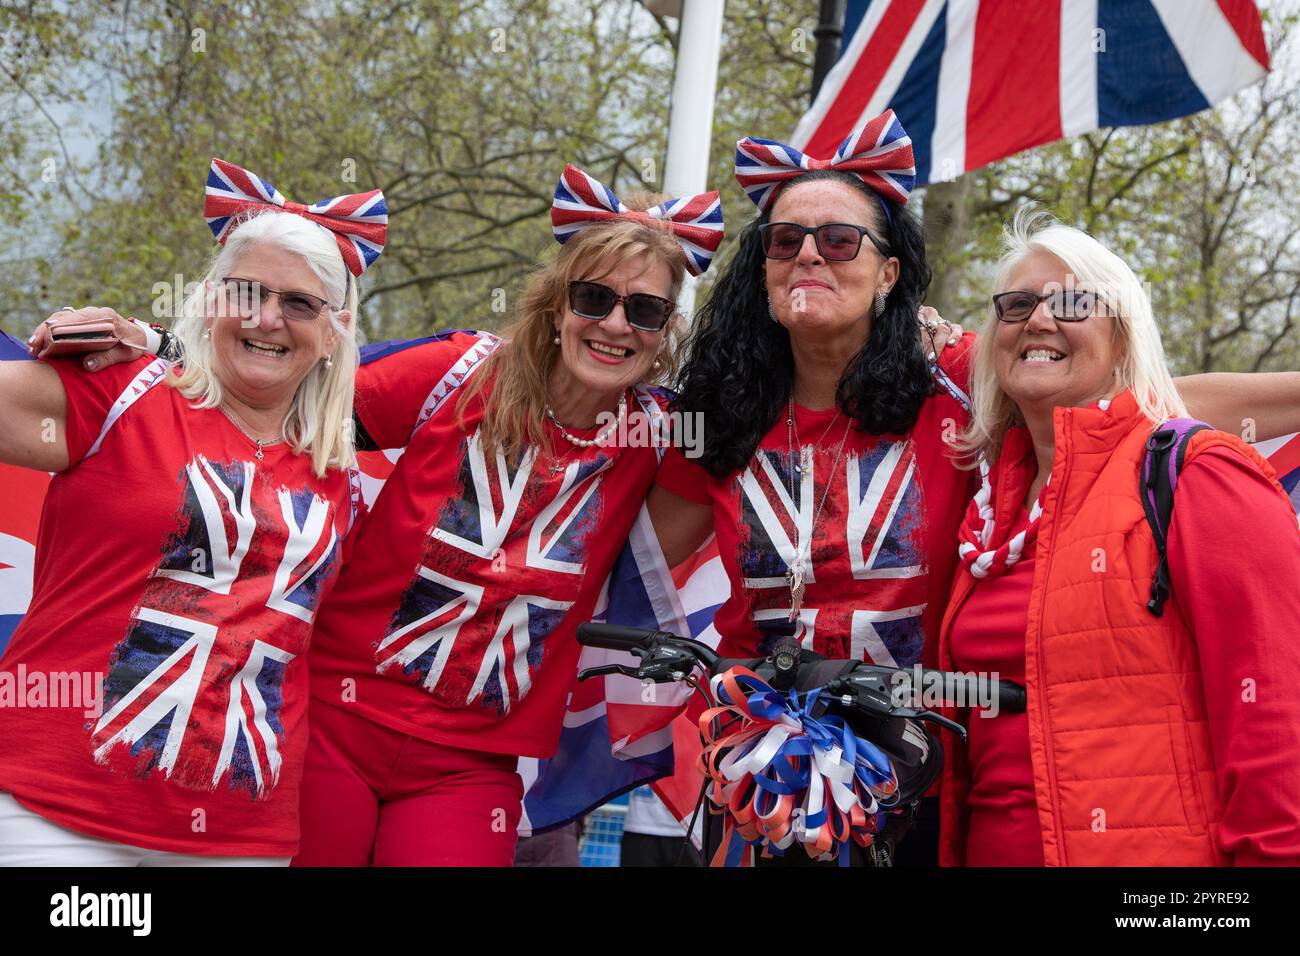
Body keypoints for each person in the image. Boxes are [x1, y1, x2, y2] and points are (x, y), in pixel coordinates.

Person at [649, 111, 1300, 866]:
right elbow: (625, 560)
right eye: (784, 241)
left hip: (917, 789)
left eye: (839, 240)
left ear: (889, 271)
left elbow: (1145, 395)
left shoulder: (957, 379)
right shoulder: (717, 417)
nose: (808, 257)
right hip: (762, 787)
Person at [291, 164, 724, 866]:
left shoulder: (665, 438)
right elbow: (286, 400)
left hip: (472, 763)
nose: (615, 324)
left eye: (643, 310)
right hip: (333, 718)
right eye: (594, 298)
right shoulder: (459, 374)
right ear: (558, 306)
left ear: (664, 331)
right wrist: (160, 349)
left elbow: (776, 421)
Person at [0, 159, 379, 864]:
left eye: (298, 303)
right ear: (210, 299)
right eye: (246, 293)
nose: (268, 319)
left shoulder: (343, 472)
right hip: (53, 814)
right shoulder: (117, 393)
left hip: (242, 838)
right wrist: (154, 345)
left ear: (335, 331)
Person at [937, 209, 1300, 866]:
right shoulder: (988, 511)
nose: (1039, 319)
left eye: (1074, 302)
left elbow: (1276, 719)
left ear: (1125, 340)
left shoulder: (1197, 474)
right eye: (1017, 304)